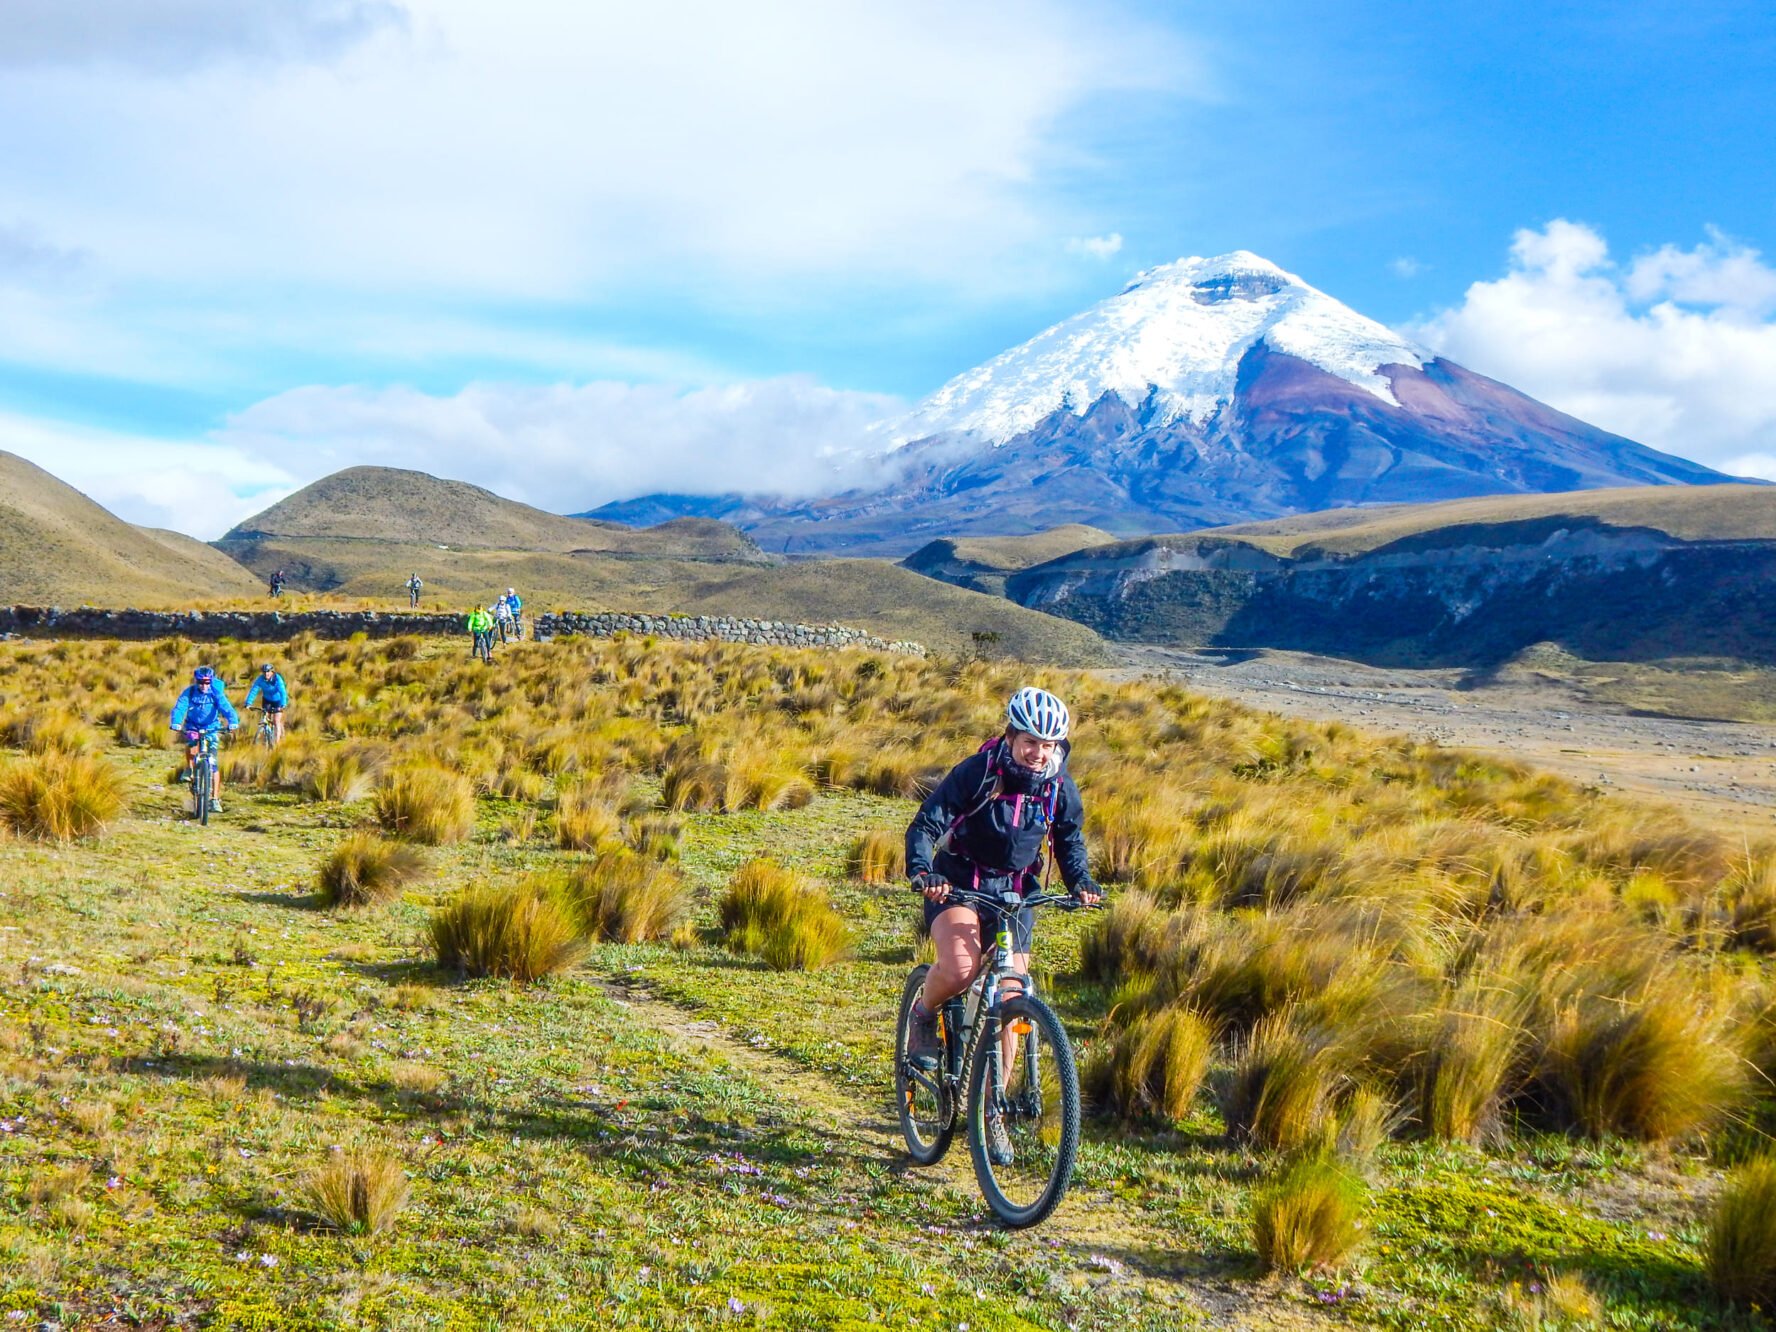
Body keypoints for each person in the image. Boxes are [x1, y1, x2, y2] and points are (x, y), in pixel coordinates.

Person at [903, 687, 1101, 1087]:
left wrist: (1080, 879)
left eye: (1048, 745)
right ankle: (923, 1013)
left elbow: (1069, 839)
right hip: (958, 884)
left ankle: (994, 1111)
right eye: (1030, 742)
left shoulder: (1059, 787)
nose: (1039, 753)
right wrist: (925, 872)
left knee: (1012, 997)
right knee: (961, 969)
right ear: (1011, 737)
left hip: (1016, 892)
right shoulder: (977, 773)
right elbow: (927, 823)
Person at [169, 666, 239, 811]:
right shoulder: (189, 692)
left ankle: (214, 799)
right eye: (201, 682)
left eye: (207, 682)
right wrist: (176, 722)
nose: (204, 686)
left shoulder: (215, 692)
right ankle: (189, 768)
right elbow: (180, 707)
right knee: (191, 744)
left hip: (212, 727)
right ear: (196, 681)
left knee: (213, 764)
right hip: (193, 726)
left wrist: (232, 721)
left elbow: (226, 707)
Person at [243, 661, 290, 744]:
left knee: (276, 720)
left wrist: (283, 704)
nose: (266, 674)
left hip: (278, 701)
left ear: (272, 672)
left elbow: (283, 692)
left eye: (268, 672)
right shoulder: (260, 679)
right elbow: (254, 690)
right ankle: (265, 735)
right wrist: (248, 703)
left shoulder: (277, 679)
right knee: (265, 718)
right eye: (264, 672)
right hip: (267, 700)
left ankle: (277, 743)